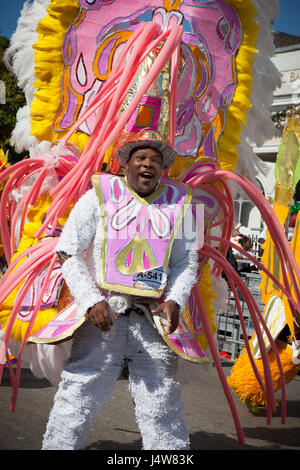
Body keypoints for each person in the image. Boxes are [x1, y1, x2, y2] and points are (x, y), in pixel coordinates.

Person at [41, 133, 199, 450]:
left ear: (163, 169)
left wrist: (175, 299)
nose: (148, 164)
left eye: (156, 160)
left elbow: (187, 261)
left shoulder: (182, 205)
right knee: (77, 396)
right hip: (103, 315)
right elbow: (67, 250)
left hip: (152, 319)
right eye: (141, 158)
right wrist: (90, 301)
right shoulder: (97, 197)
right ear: (126, 163)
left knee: (163, 404)